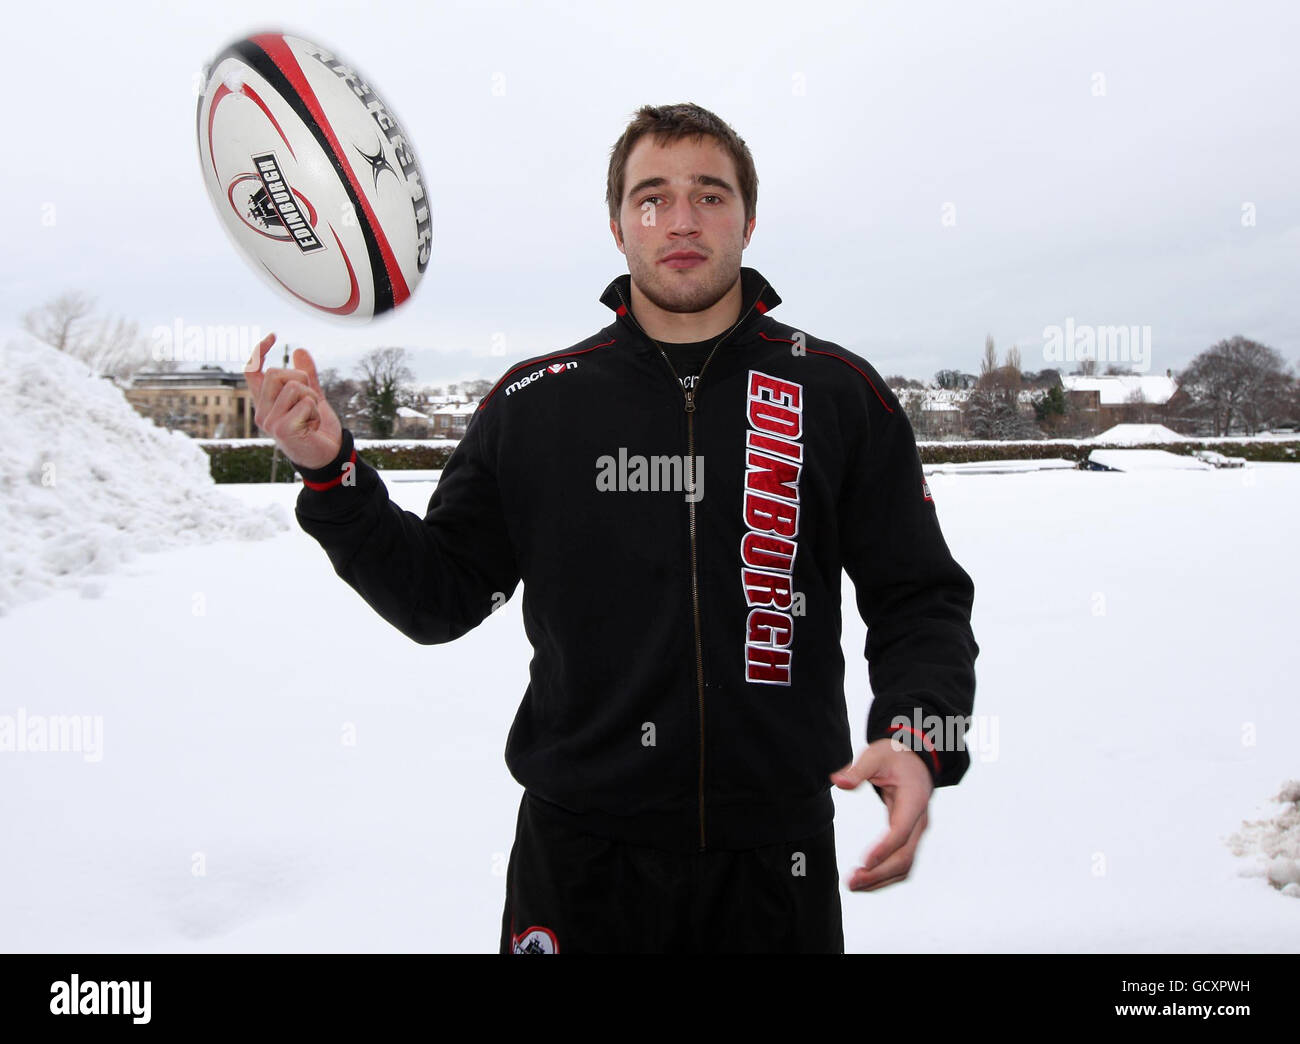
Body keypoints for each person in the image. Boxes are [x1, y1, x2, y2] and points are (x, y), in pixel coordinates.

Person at [245, 102, 979, 954]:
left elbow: (918, 597)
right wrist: (333, 473)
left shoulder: (839, 393)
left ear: (749, 219)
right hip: (580, 861)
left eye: (710, 195)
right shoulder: (538, 403)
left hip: (775, 867)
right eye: (652, 197)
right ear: (616, 224)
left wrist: (919, 735)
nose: (680, 220)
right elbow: (437, 597)